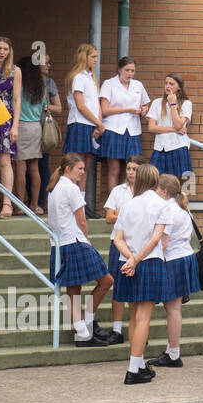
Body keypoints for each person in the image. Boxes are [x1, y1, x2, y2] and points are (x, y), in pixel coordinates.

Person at [45, 153, 114, 346]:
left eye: (84, 169)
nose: (83, 172)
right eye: (80, 168)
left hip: (59, 244)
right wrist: (86, 239)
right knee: (106, 280)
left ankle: (83, 332)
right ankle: (87, 326)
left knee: (73, 289)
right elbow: (82, 220)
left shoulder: (53, 188)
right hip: (74, 241)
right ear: (68, 168)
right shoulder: (71, 188)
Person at [112, 163, 169, 384]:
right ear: (155, 180)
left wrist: (130, 258)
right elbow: (156, 239)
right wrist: (136, 259)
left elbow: (118, 239)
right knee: (143, 317)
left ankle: (139, 363)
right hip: (149, 261)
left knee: (134, 316)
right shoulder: (160, 204)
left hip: (127, 262)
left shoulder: (128, 204)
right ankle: (133, 369)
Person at [148, 174, 198, 368]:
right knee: (175, 308)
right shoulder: (182, 209)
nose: (154, 192)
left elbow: (164, 243)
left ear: (164, 191)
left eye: (156, 189)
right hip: (184, 257)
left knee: (173, 309)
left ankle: (174, 354)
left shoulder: (167, 210)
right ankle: (172, 350)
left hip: (173, 260)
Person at [103, 155, 147, 344]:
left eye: (134, 169)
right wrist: (127, 213)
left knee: (138, 287)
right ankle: (117, 329)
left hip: (139, 244)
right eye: (128, 168)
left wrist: (120, 213)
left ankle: (138, 330)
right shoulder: (118, 191)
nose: (130, 172)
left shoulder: (148, 193)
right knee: (117, 284)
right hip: (118, 242)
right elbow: (108, 217)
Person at [98, 56, 150, 198]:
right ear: (119, 69)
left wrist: (144, 110)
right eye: (127, 70)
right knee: (114, 169)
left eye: (133, 71)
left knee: (134, 168)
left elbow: (145, 103)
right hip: (113, 129)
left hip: (132, 130)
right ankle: (113, 204)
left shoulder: (138, 85)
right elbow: (105, 109)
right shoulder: (109, 84)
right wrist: (128, 109)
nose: (130, 74)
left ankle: (132, 200)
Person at [63, 44, 103, 215]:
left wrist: (98, 124)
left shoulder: (90, 78)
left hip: (90, 125)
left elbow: (96, 104)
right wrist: (98, 122)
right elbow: (81, 106)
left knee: (85, 167)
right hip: (79, 123)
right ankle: (71, 203)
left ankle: (81, 205)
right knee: (75, 166)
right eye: (93, 57)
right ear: (84, 57)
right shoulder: (78, 77)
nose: (96, 60)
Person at [0, 35, 21, 217]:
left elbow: (17, 99)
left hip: (4, 117)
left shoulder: (14, 70)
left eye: (5, 49)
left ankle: (7, 203)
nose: (2, 52)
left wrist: (15, 126)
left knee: (4, 160)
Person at [12, 54, 46, 215]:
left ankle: (19, 205)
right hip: (36, 127)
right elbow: (45, 107)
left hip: (22, 126)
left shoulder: (20, 86)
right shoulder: (41, 86)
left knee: (20, 166)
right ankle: (34, 204)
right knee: (34, 167)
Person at [146, 74, 193, 179]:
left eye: (171, 84)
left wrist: (173, 105)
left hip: (178, 146)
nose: (167, 86)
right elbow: (152, 128)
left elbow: (178, 125)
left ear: (179, 87)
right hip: (160, 147)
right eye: (166, 83)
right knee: (155, 179)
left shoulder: (186, 103)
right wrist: (173, 130)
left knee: (176, 182)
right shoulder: (157, 103)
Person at [36, 53, 62, 214]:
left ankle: (40, 202)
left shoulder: (49, 82)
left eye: (49, 62)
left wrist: (45, 107)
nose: (49, 65)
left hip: (43, 128)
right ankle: (29, 200)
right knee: (25, 166)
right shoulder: (25, 79)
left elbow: (58, 108)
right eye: (45, 63)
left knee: (42, 165)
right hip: (27, 125)